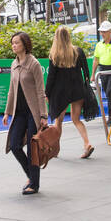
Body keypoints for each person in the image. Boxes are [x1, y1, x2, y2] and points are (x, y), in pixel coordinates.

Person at [2, 31, 49, 194]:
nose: (14, 45)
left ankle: (34, 184)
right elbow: (11, 91)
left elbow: (40, 91)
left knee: (32, 148)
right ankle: (31, 175)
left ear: (25, 45)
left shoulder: (33, 64)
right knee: (14, 145)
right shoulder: (14, 64)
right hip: (19, 112)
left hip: (33, 113)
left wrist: (43, 115)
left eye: (17, 43)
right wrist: (7, 112)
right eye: (12, 43)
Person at [46, 25, 94, 159]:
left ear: (56, 38)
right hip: (77, 89)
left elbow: (51, 77)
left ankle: (55, 150)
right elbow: (86, 71)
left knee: (58, 121)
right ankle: (87, 143)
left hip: (60, 92)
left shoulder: (54, 54)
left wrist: (47, 93)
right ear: (68, 37)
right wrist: (86, 85)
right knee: (76, 119)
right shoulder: (77, 51)